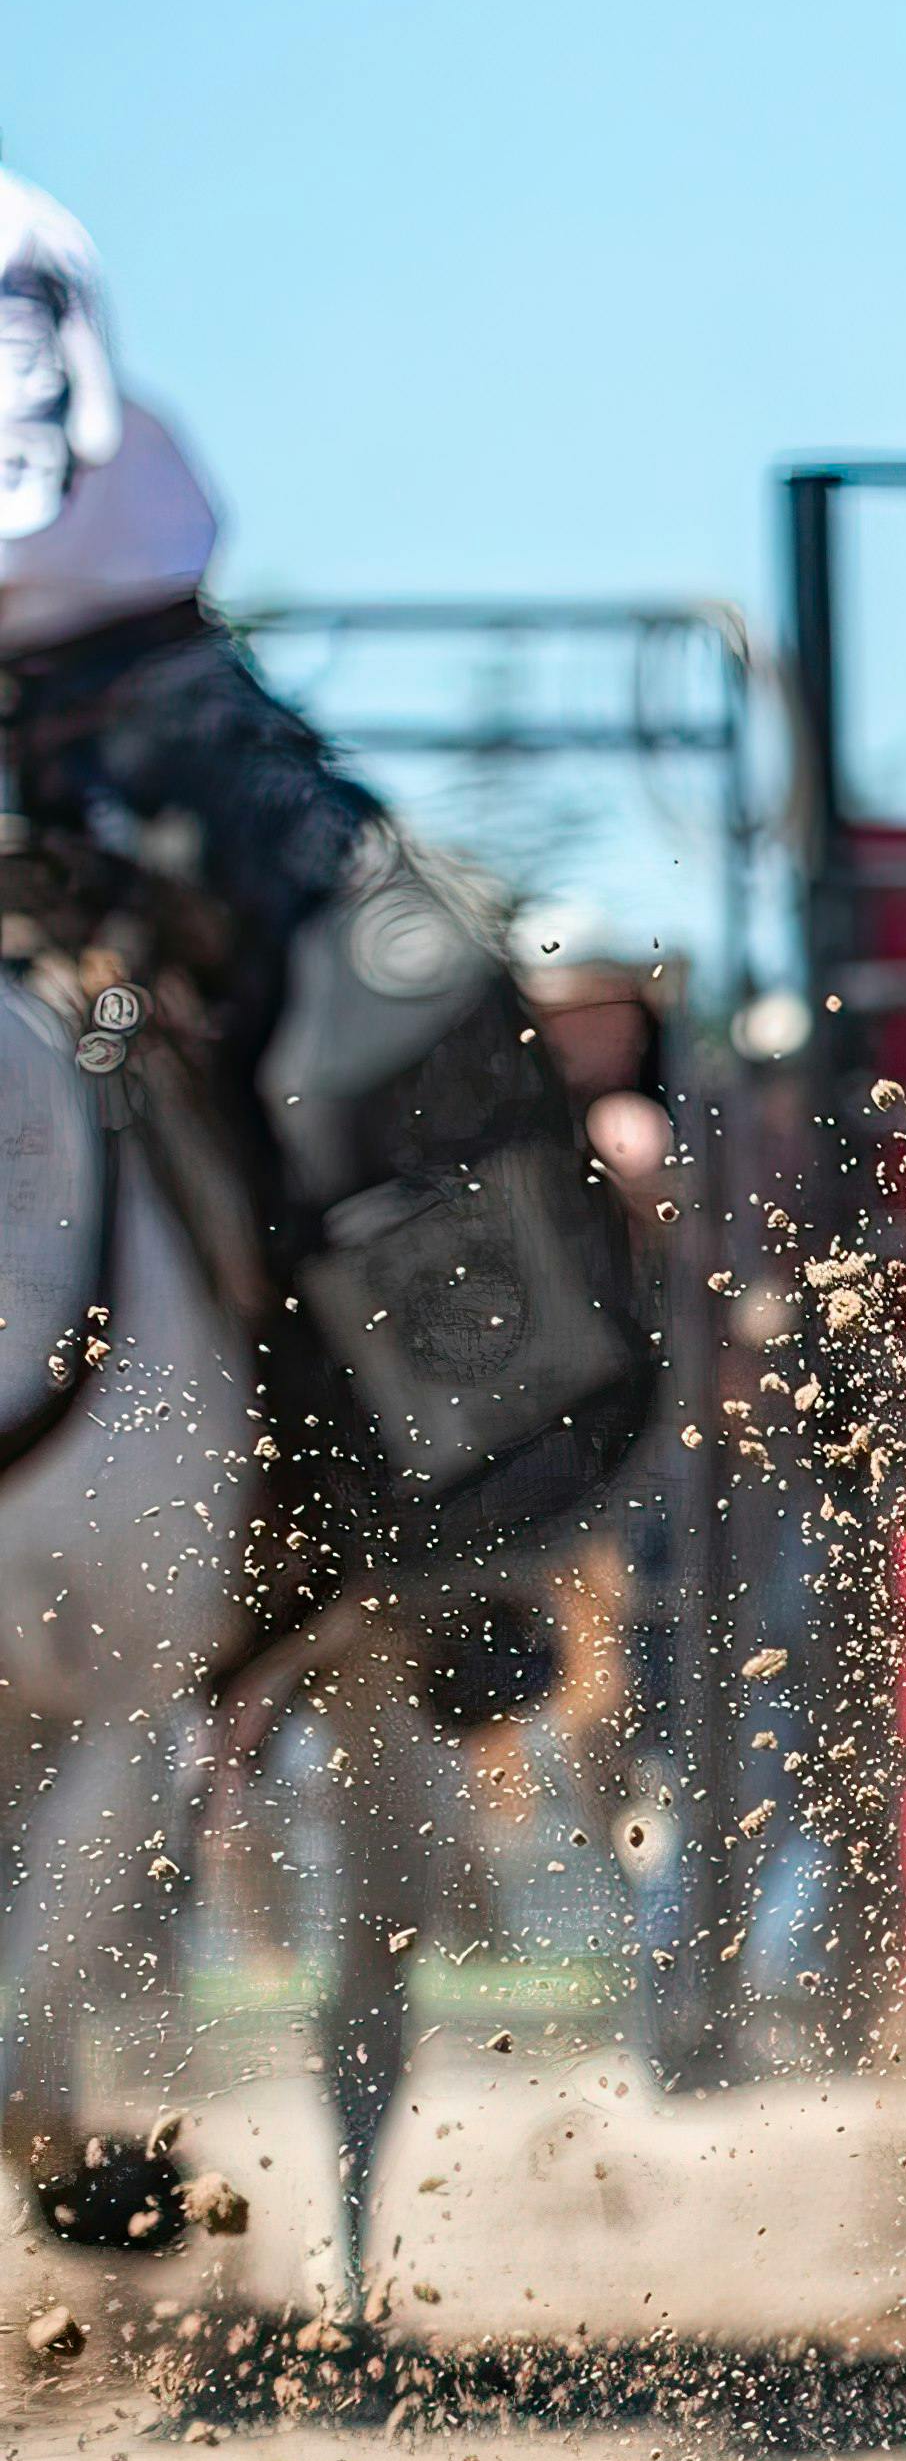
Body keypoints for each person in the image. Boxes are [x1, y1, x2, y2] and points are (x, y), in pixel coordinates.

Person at [0, 170, 644, 1584]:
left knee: (382, 1026)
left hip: (132, 715)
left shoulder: (8, 235)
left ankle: (450, 1532)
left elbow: (22, 469)